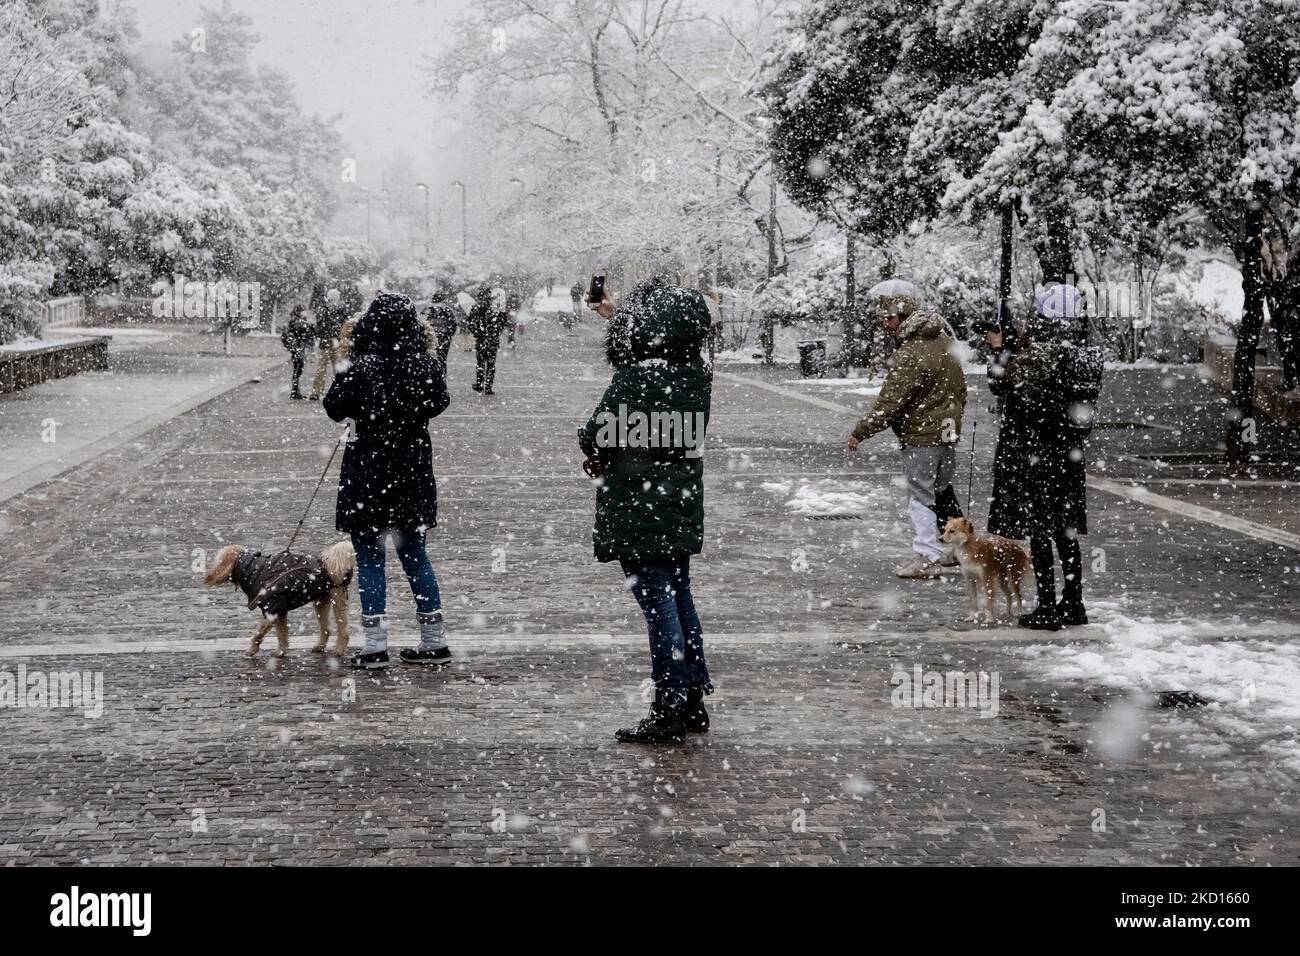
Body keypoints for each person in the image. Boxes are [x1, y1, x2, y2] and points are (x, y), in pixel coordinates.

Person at [579, 264, 714, 745]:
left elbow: (597, 433)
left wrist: (597, 448)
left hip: (638, 504)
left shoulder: (635, 380)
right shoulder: (697, 373)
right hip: (678, 499)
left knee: (658, 603)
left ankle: (670, 703)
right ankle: (693, 692)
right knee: (680, 595)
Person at [323, 292, 453, 669]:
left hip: (368, 471)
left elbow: (334, 407)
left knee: (369, 559)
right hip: (411, 469)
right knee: (415, 556)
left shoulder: (361, 366)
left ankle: (374, 645)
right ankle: (434, 640)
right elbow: (439, 402)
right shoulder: (424, 364)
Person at [989, 284, 1103, 631]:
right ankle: (1074, 603)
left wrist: (999, 352)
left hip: (1037, 453)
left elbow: (1002, 383)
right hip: (1067, 454)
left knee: (1039, 531)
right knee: (1065, 531)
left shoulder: (1040, 353)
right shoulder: (1083, 353)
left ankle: (1048, 607)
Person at [847, 282, 966, 579]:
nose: (884, 324)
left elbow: (891, 401)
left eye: (888, 318)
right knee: (941, 492)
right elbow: (960, 389)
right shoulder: (945, 342)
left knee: (921, 497)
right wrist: (950, 418)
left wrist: (862, 431)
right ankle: (957, 550)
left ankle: (926, 557)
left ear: (904, 317)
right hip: (947, 433)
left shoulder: (911, 352)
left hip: (922, 436)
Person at [467, 283, 508, 394]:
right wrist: (496, 333)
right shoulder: (496, 307)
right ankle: (488, 386)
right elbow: (503, 322)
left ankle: (480, 384)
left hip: (481, 340)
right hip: (493, 340)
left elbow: (470, 323)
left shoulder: (476, 307)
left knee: (480, 363)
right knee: (491, 363)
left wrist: (478, 333)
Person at [309, 288, 345, 401]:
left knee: (321, 369)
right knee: (338, 369)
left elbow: (319, 325)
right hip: (337, 342)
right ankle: (341, 391)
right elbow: (344, 324)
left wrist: (319, 335)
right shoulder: (342, 309)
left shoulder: (323, 309)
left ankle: (316, 392)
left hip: (325, 342)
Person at [280, 304, 314, 400]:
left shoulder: (298, 321)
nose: (304, 312)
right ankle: (295, 391)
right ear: (299, 312)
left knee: (298, 369)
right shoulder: (296, 321)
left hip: (298, 348)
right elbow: (305, 331)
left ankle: (295, 391)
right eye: (303, 311)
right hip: (297, 348)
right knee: (298, 369)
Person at [424, 284, 459, 367]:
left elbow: (423, 322)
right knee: (443, 357)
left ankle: (433, 374)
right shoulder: (447, 310)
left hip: (431, 336)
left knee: (431, 358)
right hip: (444, 336)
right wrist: (449, 334)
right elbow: (453, 323)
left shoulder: (428, 309)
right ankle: (442, 374)